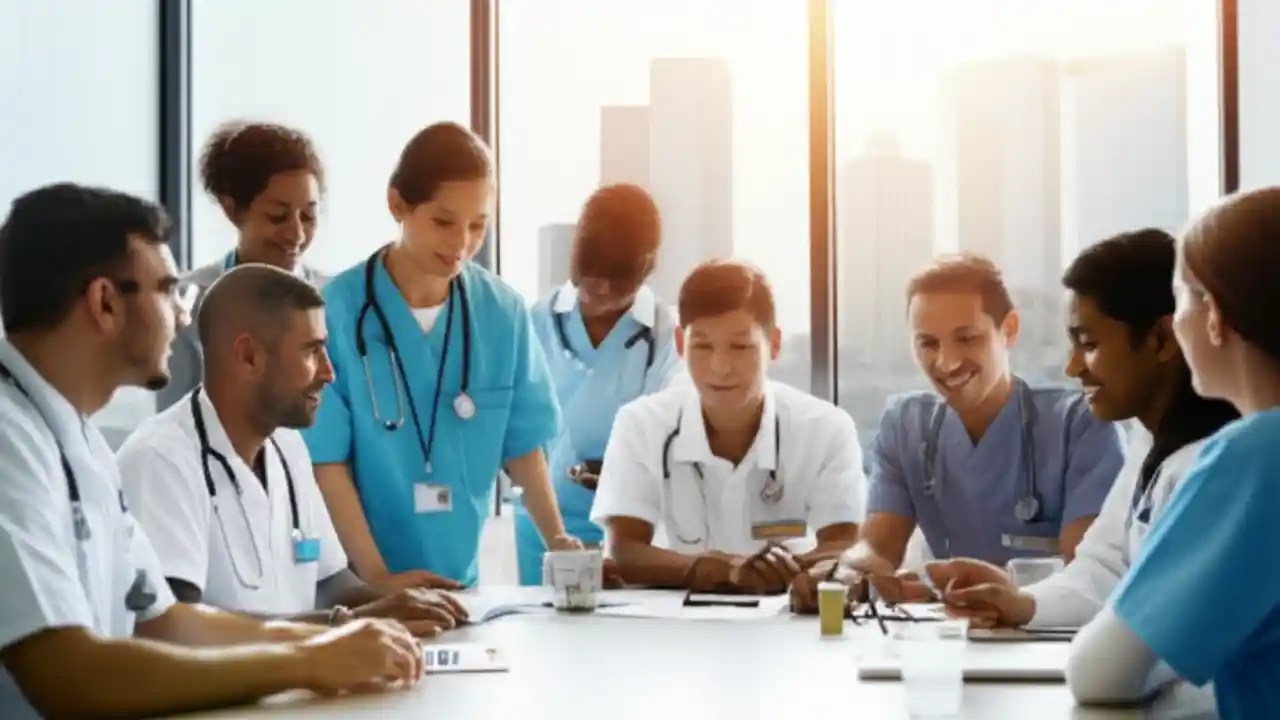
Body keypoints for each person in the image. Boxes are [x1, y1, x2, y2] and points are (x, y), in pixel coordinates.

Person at [0, 184, 421, 719]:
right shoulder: (9, 442)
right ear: (105, 302)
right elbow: (70, 675)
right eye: (170, 291)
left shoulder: (79, 443)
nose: (181, 318)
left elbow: (168, 622)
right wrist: (304, 662)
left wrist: (327, 641)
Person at [900, 231, 1235, 638]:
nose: (1072, 367)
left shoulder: (1214, 464)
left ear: (1163, 338)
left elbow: (1123, 655)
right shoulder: (1150, 444)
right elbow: (1101, 570)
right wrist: (1018, 603)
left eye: (1089, 344)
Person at [301, 122, 581, 592]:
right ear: (397, 205)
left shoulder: (502, 312)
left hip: (460, 587)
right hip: (359, 587)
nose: (461, 243)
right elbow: (326, 463)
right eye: (444, 221)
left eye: (478, 225)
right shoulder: (336, 312)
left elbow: (524, 448)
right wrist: (378, 580)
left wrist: (558, 540)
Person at [117, 265, 468, 634]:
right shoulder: (159, 461)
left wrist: (397, 606)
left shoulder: (287, 445)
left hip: (295, 682)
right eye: (312, 352)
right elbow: (173, 629)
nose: (329, 373)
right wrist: (346, 624)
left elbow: (330, 583)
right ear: (249, 356)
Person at [1066, 187, 1280, 718]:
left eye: (1181, 298)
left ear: (1215, 315)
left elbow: (1099, 673)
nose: (1175, 323)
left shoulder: (1255, 458)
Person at [838, 254, 1124, 598]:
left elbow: (1089, 572)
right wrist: (847, 572)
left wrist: (996, 592)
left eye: (967, 338)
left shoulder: (1079, 424)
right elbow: (877, 548)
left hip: (1048, 636)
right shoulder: (905, 425)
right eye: (928, 343)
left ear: (1010, 329)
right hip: (950, 632)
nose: (946, 362)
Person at [590, 260, 864, 594]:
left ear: (774, 344)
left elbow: (844, 547)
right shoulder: (640, 423)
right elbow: (624, 552)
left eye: (741, 347)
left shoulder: (827, 428)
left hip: (787, 625)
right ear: (679, 344)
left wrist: (771, 571)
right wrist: (711, 569)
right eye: (702, 346)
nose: (720, 367)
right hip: (670, 629)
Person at [515, 184, 680, 585]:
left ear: (649, 265)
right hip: (541, 527)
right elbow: (515, 428)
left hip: (633, 530)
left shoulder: (666, 335)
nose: (600, 292)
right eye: (589, 279)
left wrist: (620, 469)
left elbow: (670, 428)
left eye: (615, 281)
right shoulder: (536, 321)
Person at [159, 121, 329, 411]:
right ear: (232, 210)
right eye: (278, 217)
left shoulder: (338, 299)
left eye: (308, 217)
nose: (297, 234)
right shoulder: (186, 304)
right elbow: (172, 423)